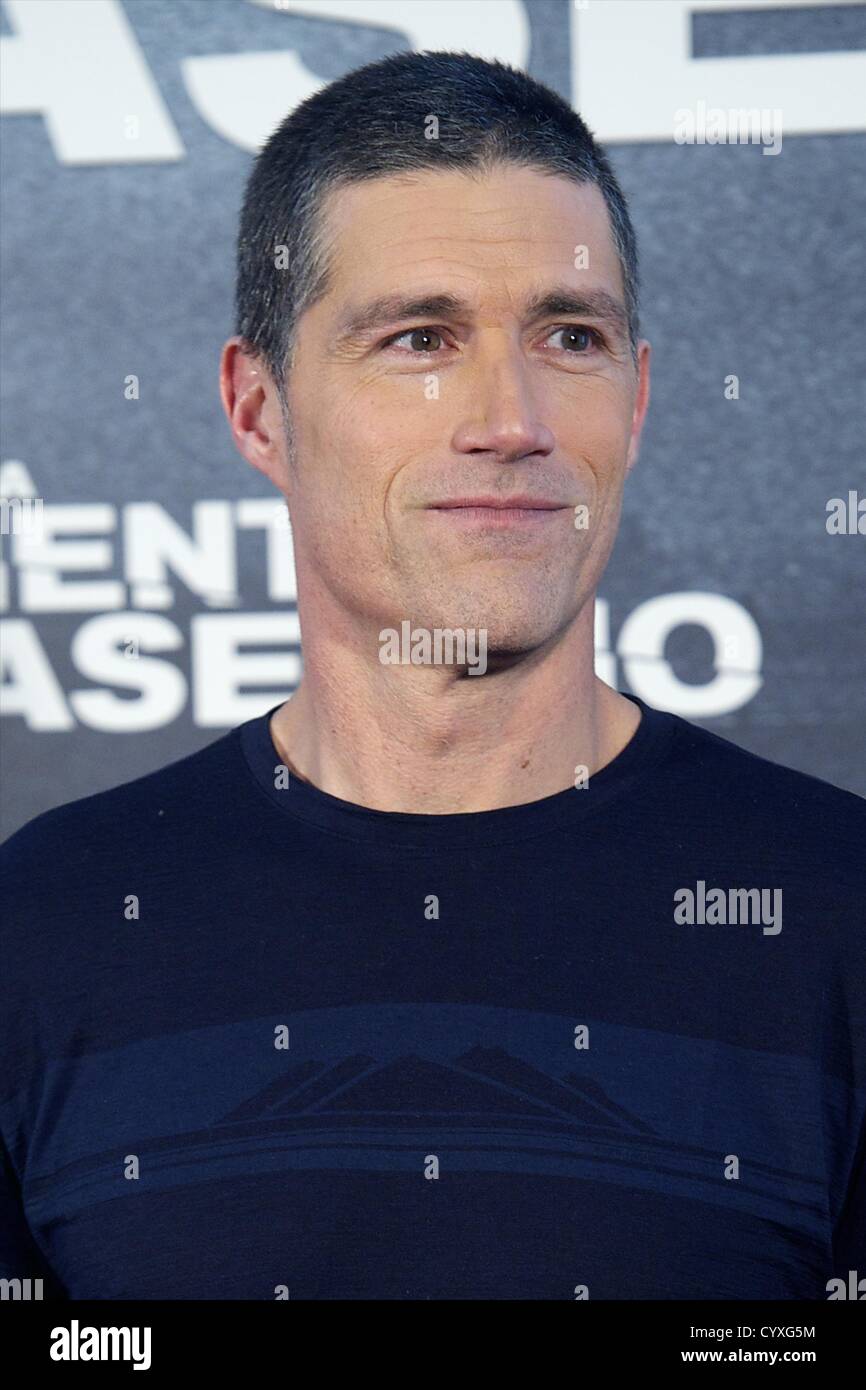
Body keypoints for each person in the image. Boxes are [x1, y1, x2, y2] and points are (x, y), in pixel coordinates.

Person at [1, 51, 863, 1301]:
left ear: (635, 398)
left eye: (570, 336)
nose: (508, 418)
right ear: (257, 409)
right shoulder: (40, 928)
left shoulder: (834, 911)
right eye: (418, 338)